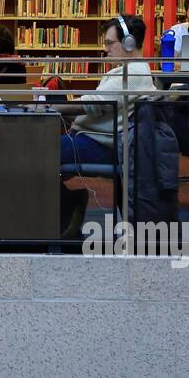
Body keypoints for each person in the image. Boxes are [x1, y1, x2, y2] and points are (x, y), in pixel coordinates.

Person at [60, 15, 158, 235]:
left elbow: (94, 104)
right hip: (95, 139)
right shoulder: (128, 70)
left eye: (109, 43)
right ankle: (68, 206)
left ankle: (66, 210)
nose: (106, 49)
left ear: (129, 43)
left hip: (102, 145)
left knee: (36, 154)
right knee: (40, 152)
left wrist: (52, 107)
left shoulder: (133, 73)